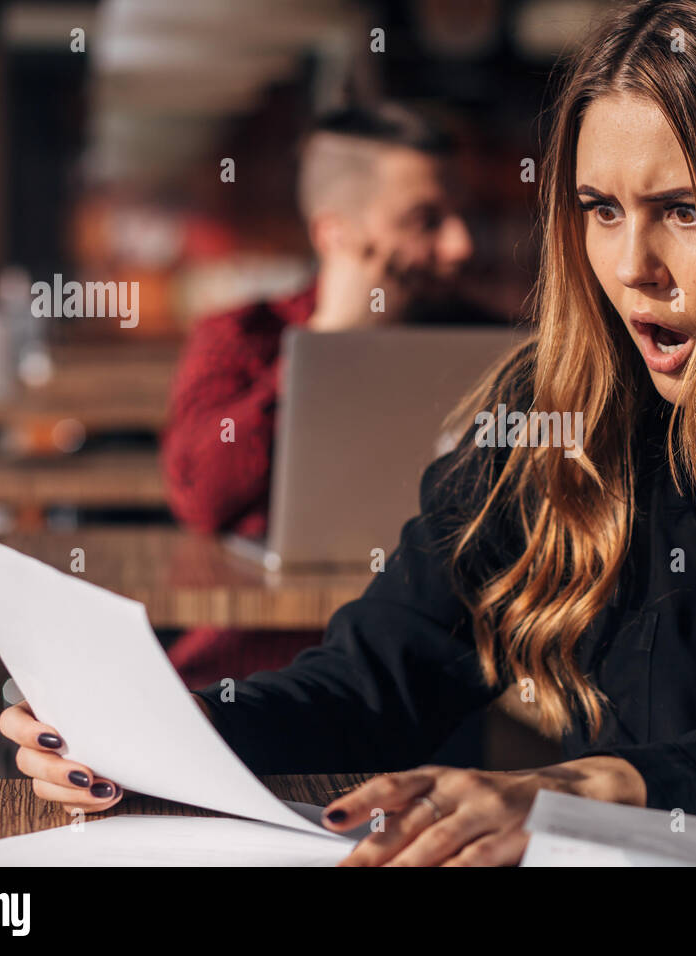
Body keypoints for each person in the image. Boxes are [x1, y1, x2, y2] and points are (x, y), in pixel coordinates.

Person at [1, 0, 696, 866]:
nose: (631, 267)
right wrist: (154, 737)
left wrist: (605, 785)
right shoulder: (554, 417)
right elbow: (372, 677)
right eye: (599, 211)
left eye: (683, 208)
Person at [161, 102, 485, 689]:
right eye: (426, 219)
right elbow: (199, 497)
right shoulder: (242, 337)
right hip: (273, 644)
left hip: (447, 646)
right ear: (336, 234)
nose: (461, 244)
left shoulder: (490, 342)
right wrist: (332, 340)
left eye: (461, 216)